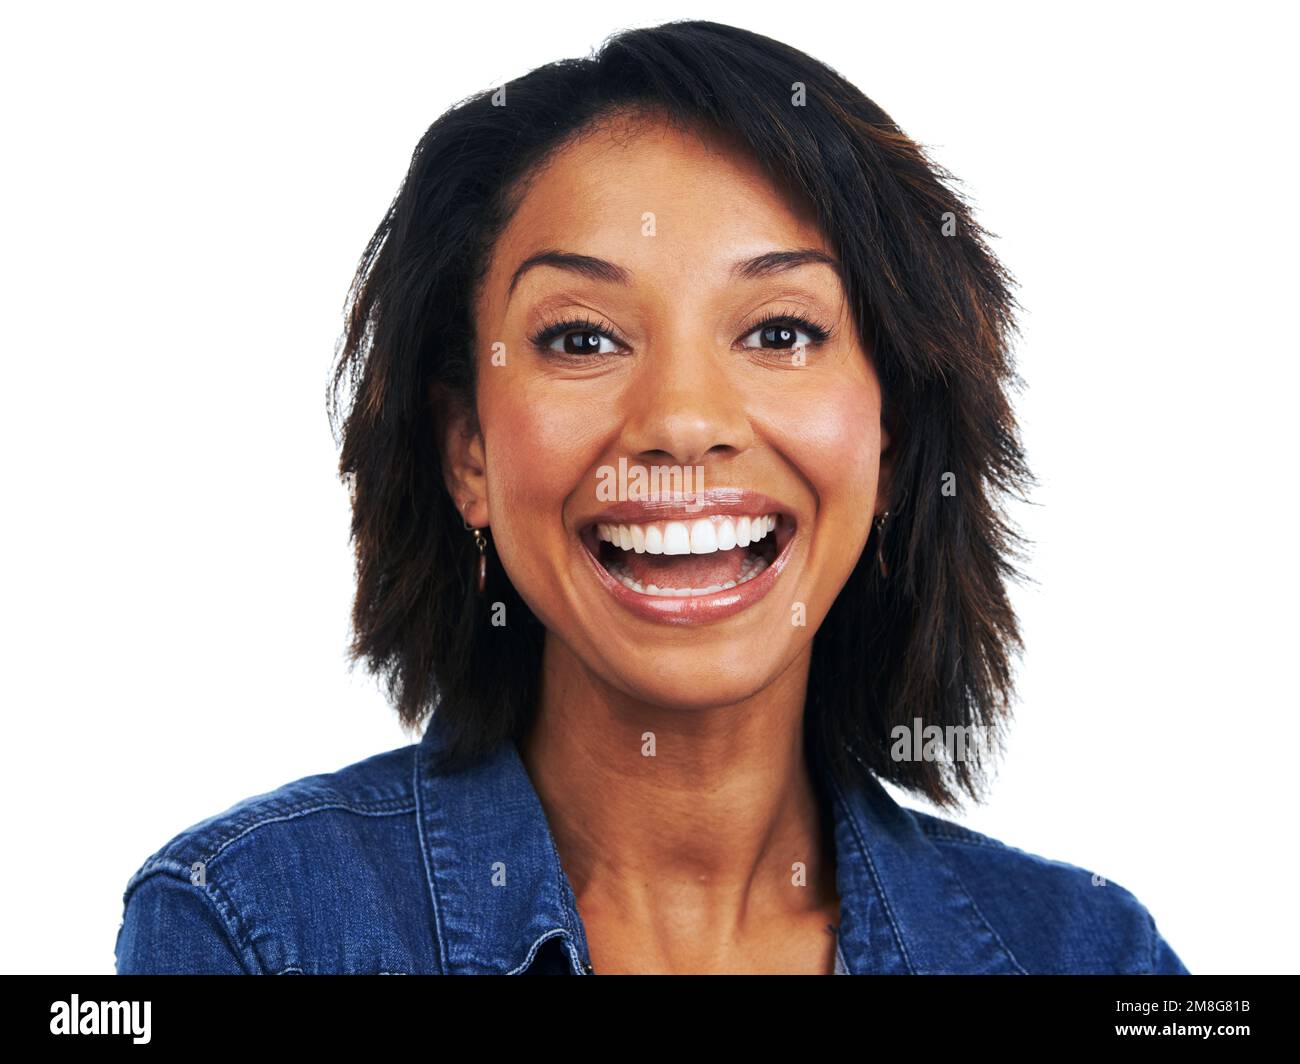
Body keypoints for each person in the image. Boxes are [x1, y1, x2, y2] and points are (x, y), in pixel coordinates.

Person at [115, 19, 1188, 975]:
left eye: (779, 331)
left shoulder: (1087, 952)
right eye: (580, 337)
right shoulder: (247, 926)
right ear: (468, 454)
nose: (681, 419)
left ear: (890, 436)